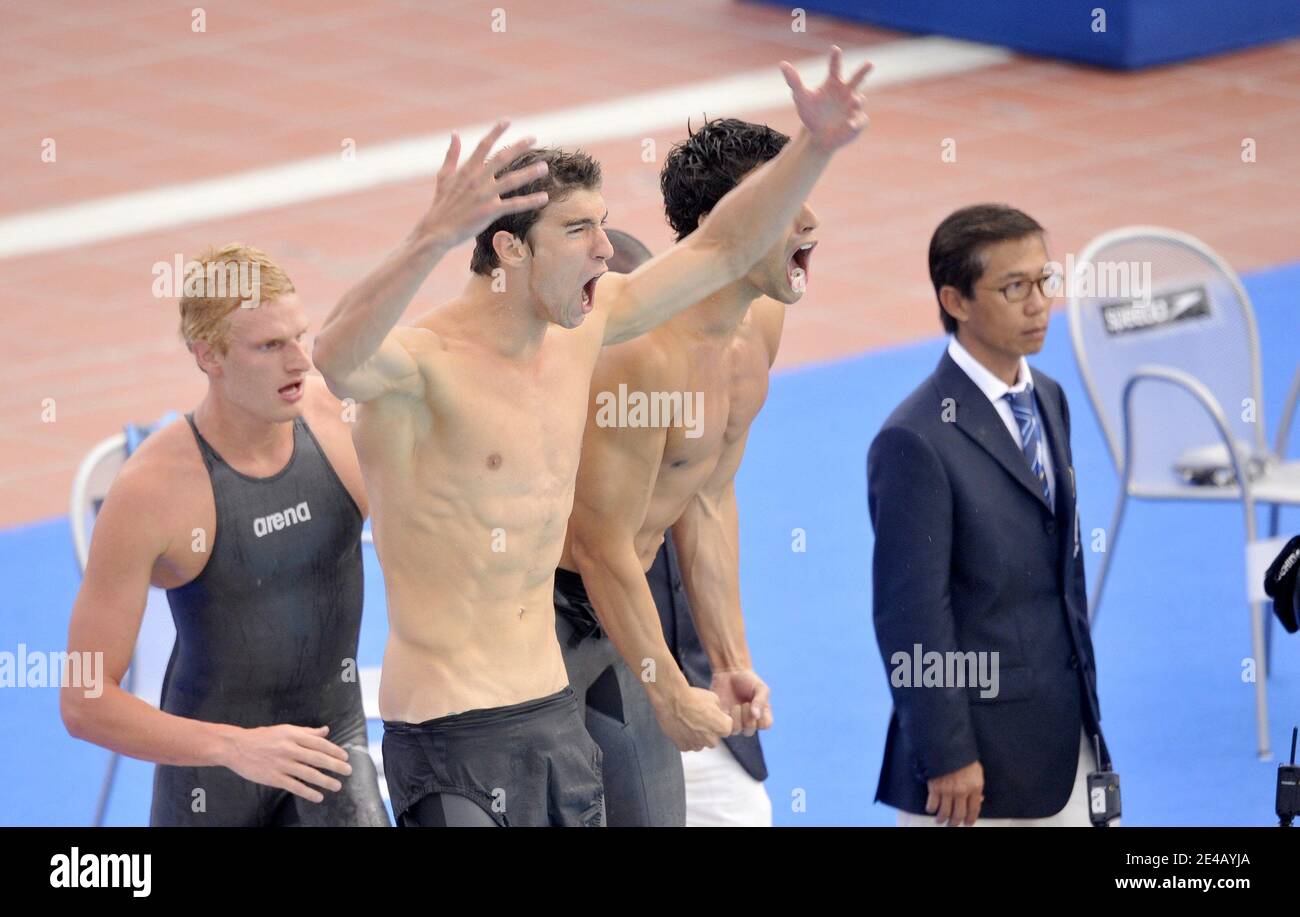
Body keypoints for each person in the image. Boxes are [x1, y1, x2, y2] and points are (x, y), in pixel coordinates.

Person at [312, 47, 870, 827]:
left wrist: (814, 148)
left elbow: (721, 248)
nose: (608, 251)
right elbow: (334, 356)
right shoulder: (422, 367)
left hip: (552, 709)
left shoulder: (583, 331)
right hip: (451, 729)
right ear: (510, 247)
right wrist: (433, 233)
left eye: (604, 227)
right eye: (580, 230)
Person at [558, 120, 829, 826]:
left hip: (616, 618)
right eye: (785, 202)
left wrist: (726, 657)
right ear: (725, 226)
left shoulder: (758, 325)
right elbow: (597, 546)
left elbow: (705, 494)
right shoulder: (641, 352)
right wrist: (669, 690)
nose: (811, 220)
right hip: (535, 617)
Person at [61, 244, 388, 826]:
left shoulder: (335, 419)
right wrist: (235, 747)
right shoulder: (150, 491)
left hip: (332, 750)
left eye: (299, 337)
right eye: (269, 346)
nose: (300, 364)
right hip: (213, 785)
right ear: (207, 355)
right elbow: (84, 701)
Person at [868, 204, 1112, 827]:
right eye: (1014, 288)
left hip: (1066, 739)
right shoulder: (915, 439)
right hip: (971, 776)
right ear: (955, 300)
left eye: (1044, 282)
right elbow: (912, 616)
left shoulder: (1049, 399)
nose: (1038, 304)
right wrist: (947, 754)